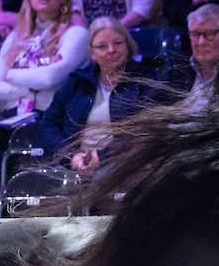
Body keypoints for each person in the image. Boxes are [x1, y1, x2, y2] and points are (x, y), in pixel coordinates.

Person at [40, 16, 159, 168]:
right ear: (92, 53)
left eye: (117, 43)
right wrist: (71, 157)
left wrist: (101, 158)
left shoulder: (146, 81)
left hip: (123, 165)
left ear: (127, 45)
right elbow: (48, 124)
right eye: (102, 46)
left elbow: (146, 133)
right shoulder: (76, 81)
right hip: (74, 165)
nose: (111, 50)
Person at [0, 0, 89, 113]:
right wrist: (32, 87)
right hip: (11, 116)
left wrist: (9, 75)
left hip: (50, 117)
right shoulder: (15, 36)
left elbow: (49, 78)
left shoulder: (76, 34)